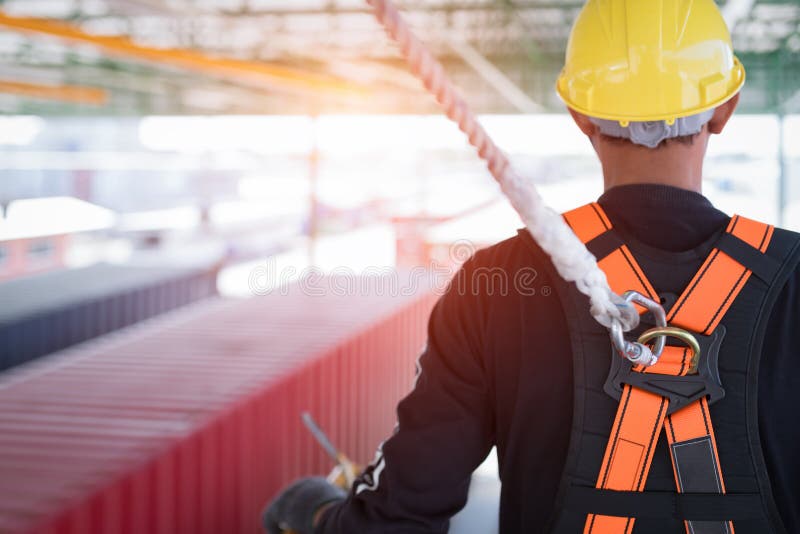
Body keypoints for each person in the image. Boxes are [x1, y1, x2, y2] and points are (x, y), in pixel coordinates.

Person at [263, 1, 800, 532]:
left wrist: (315, 511)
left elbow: (396, 518)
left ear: (580, 116)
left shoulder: (492, 288)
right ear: (725, 108)